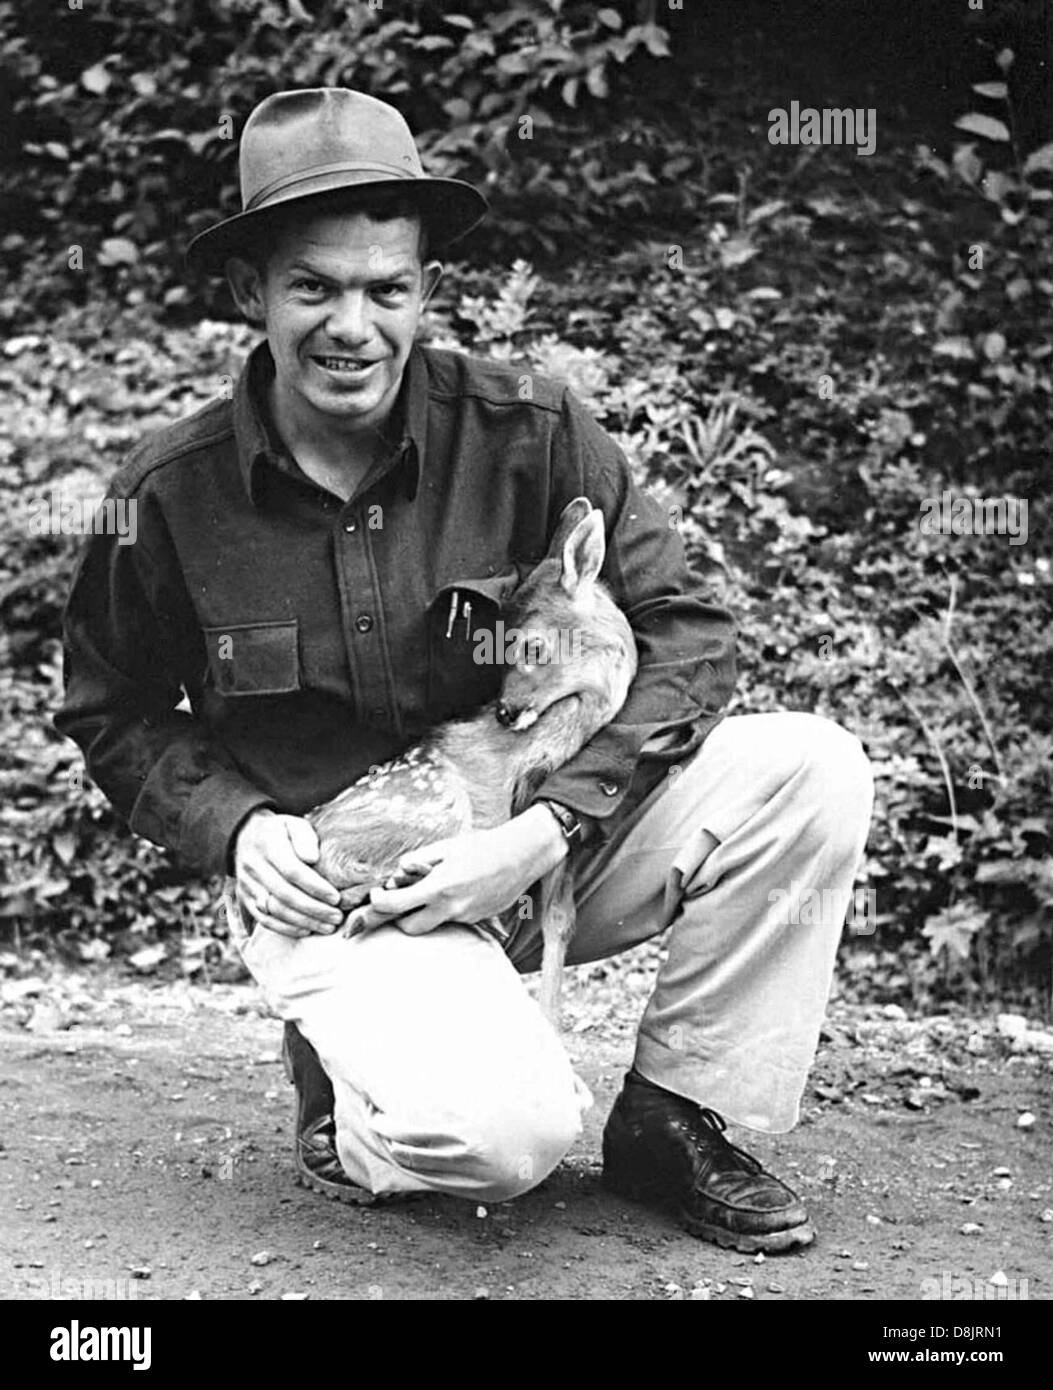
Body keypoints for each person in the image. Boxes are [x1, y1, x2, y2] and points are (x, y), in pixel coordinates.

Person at [56, 88, 874, 1254]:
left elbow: (691, 634)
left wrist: (544, 834)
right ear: (251, 293)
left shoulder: (532, 433)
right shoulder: (167, 494)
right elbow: (111, 708)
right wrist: (237, 830)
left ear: (428, 290)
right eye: (313, 287)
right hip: (348, 886)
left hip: (538, 849)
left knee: (811, 768)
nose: (354, 325)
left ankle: (677, 1116)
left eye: (388, 288)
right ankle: (356, 1088)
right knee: (507, 1146)